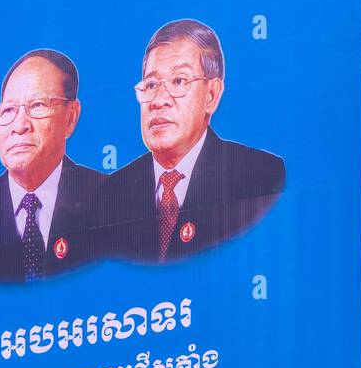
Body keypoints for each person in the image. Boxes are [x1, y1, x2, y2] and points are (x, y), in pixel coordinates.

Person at [97, 19, 285, 264]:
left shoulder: (257, 175)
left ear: (211, 95)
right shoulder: (110, 195)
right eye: (151, 85)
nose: (159, 100)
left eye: (179, 81)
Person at [0, 49, 103, 282]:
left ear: (71, 117)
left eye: (37, 106)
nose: (19, 125)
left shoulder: (113, 199)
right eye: (9, 110)